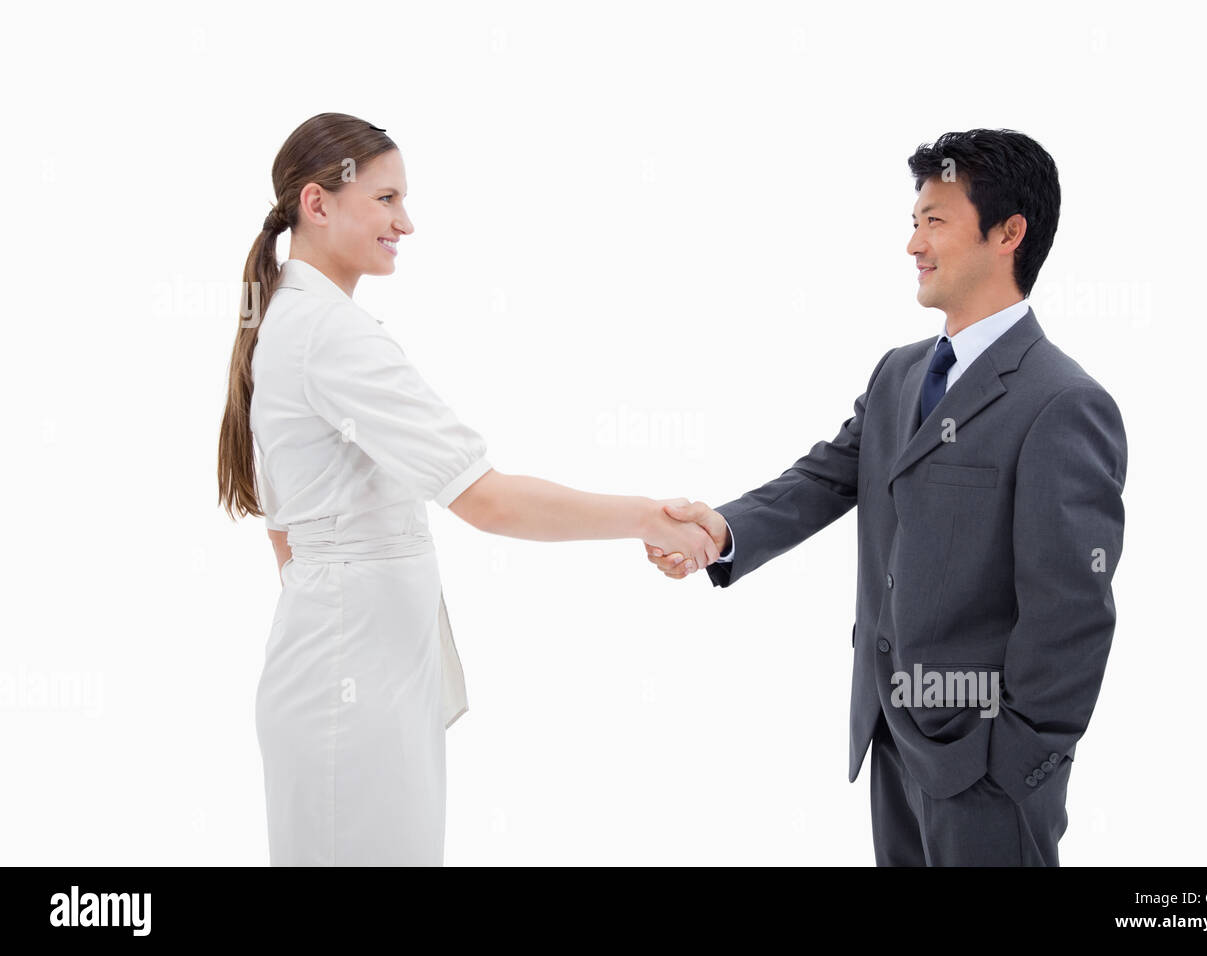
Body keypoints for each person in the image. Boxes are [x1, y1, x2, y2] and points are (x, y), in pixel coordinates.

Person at [216, 112, 717, 866]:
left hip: (343, 671)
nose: (405, 222)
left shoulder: (294, 321)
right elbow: (486, 499)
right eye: (386, 199)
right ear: (317, 205)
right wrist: (652, 516)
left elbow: (287, 533)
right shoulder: (329, 334)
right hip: (350, 687)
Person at [647, 129, 1128, 866]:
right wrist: (722, 528)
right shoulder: (899, 374)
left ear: (1009, 233)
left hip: (984, 765)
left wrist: (1018, 765)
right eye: (914, 222)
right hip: (890, 735)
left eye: (935, 221)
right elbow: (826, 477)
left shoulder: (1062, 403)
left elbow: (1072, 613)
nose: (913, 245)